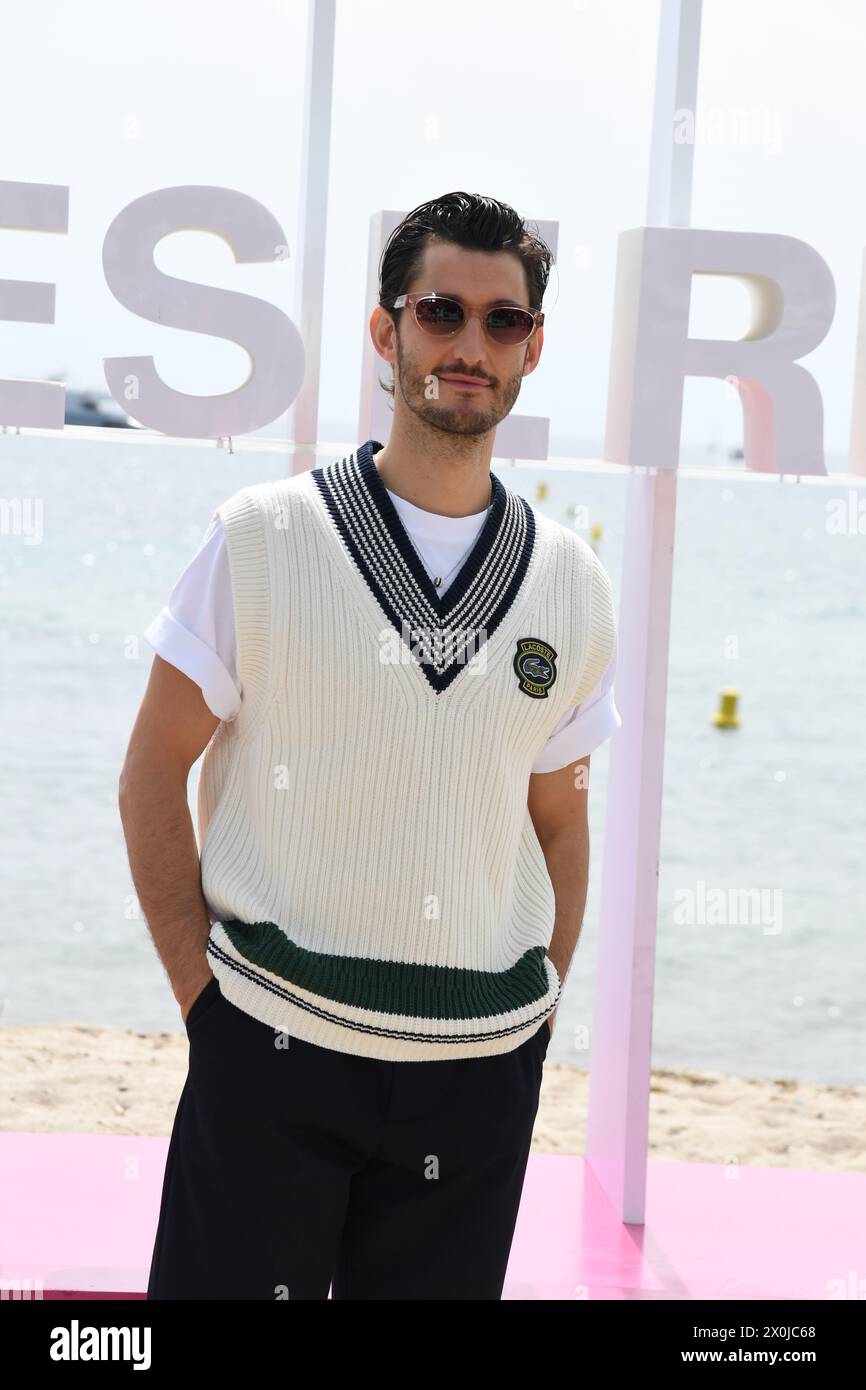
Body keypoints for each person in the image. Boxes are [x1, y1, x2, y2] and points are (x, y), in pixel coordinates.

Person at [118, 190, 620, 1300]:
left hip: (476, 1078)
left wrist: (531, 1009)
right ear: (386, 331)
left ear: (532, 346)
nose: (468, 344)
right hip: (271, 1050)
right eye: (440, 310)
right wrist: (206, 1004)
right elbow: (155, 768)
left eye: (501, 320)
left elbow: (561, 816)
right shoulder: (262, 535)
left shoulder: (572, 584)